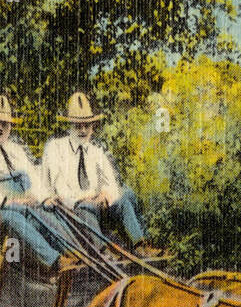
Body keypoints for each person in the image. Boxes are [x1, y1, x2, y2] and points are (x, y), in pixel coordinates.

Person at [0, 93, 85, 271]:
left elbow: (32, 176)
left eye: (5, 124)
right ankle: (55, 260)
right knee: (13, 218)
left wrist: (44, 198)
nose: (0, 128)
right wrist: (7, 201)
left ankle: (75, 253)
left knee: (47, 213)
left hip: (22, 200)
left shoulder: (15, 150)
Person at [41, 91, 161, 257]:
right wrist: (88, 197)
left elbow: (110, 182)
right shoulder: (55, 148)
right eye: (78, 126)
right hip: (70, 209)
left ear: (92, 127)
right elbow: (61, 190)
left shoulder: (96, 151)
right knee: (85, 208)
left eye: (87, 126)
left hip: (96, 205)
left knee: (123, 201)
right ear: (69, 126)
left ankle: (140, 245)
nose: (83, 130)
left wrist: (105, 194)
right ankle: (103, 253)